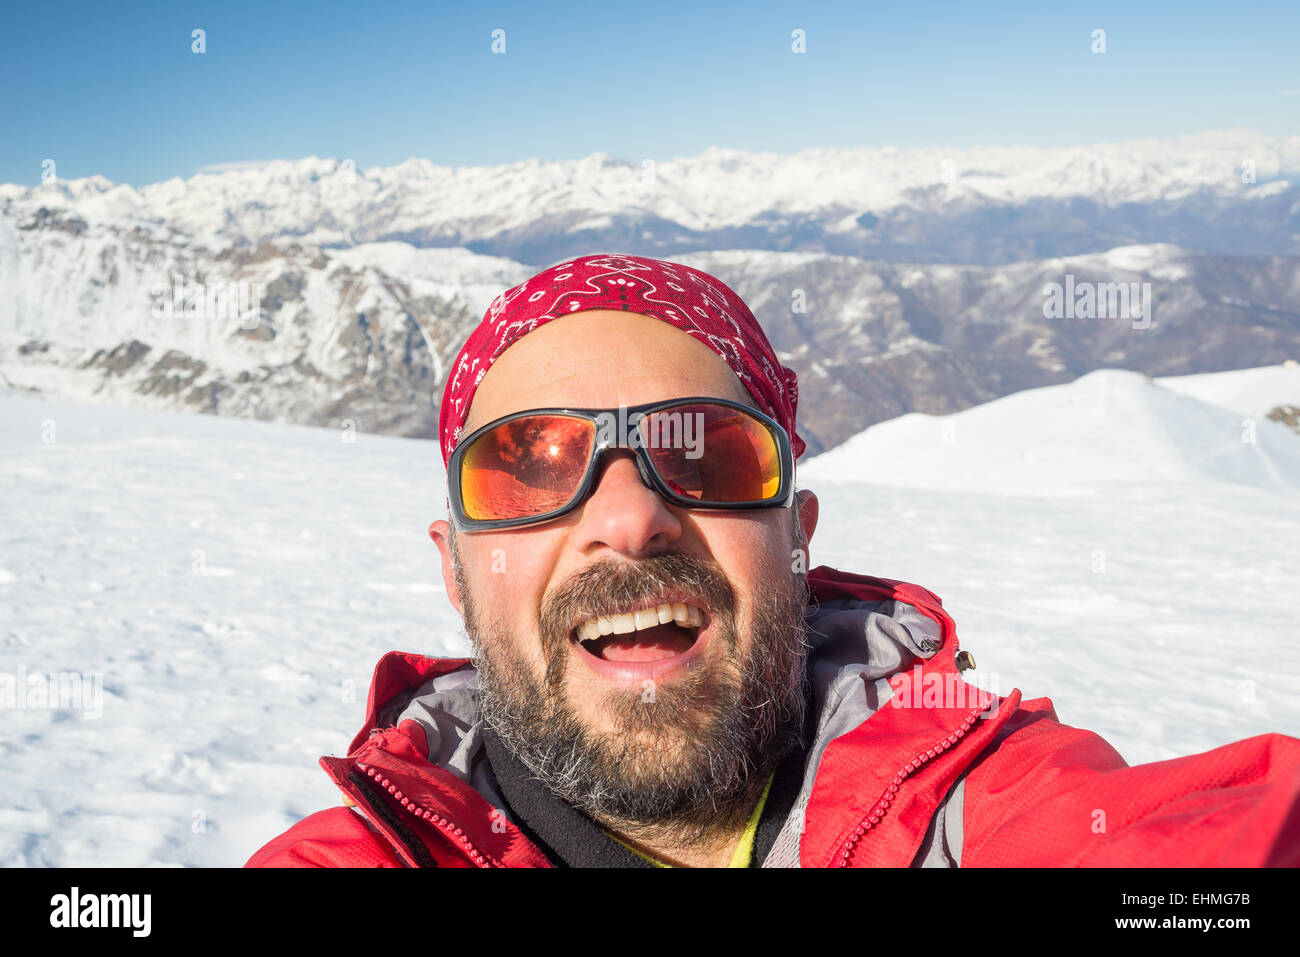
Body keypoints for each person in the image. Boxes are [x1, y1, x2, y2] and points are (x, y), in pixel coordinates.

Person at [246, 253, 1300, 868]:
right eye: (529, 467)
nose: (627, 517)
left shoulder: (978, 803)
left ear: (795, 536)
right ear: (455, 567)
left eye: (703, 453)